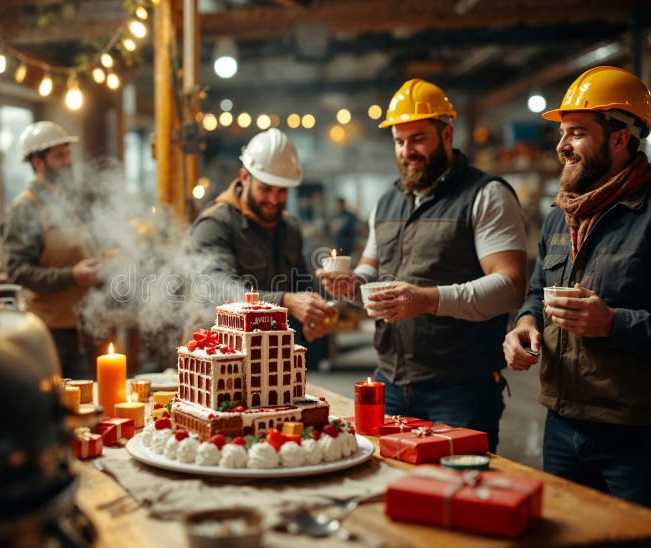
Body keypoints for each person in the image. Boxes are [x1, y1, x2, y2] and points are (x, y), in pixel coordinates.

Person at [319, 79, 527, 451]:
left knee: (457, 491)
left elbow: (511, 286)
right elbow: (369, 269)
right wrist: (350, 286)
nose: (406, 151)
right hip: (392, 384)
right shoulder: (387, 202)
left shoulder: (485, 195)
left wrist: (429, 299)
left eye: (417, 139)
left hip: (460, 390)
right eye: (399, 141)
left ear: (446, 134)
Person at [503, 66, 651, 511]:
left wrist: (612, 323)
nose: (561, 146)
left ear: (619, 139)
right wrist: (524, 325)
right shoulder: (560, 216)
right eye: (562, 133)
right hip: (561, 424)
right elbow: (537, 291)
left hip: (638, 434)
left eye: (576, 133)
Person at [190, 128, 337, 344]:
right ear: (244, 177)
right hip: (216, 349)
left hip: (270, 350)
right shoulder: (214, 225)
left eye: (282, 191)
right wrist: (285, 302)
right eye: (265, 189)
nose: (274, 200)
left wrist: (312, 314)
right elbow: (219, 290)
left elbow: (300, 285)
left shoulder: (290, 227)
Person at [1, 121, 101, 379]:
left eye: (67, 153)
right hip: (46, 333)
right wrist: (71, 276)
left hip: (79, 331)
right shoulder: (25, 209)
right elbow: (16, 271)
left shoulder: (68, 203)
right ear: (37, 162)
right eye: (59, 156)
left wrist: (103, 260)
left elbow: (76, 252)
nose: (68, 161)